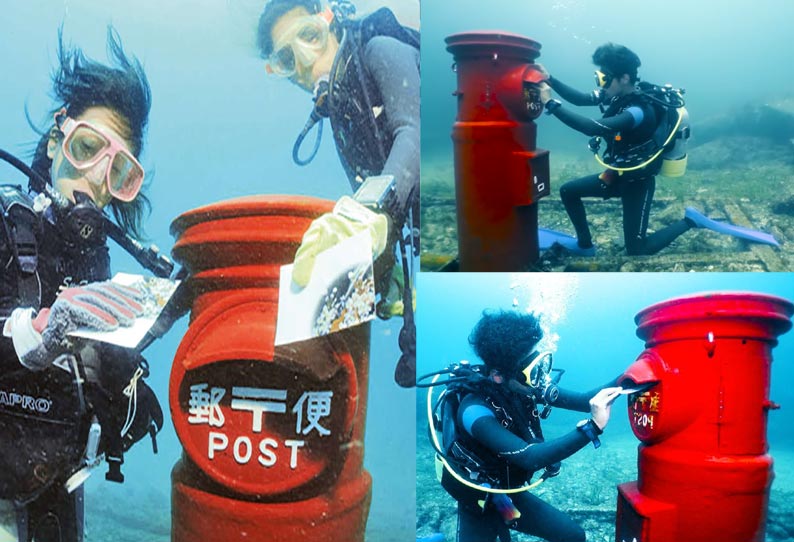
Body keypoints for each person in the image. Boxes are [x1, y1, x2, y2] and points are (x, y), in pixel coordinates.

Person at [0, 28, 163, 542]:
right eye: (87, 147)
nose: (95, 179)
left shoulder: (100, 268)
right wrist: (36, 330)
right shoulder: (5, 223)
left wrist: (127, 370)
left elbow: (106, 412)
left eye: (118, 172)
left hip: (54, 490)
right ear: (56, 140)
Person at [256, 0, 420, 385]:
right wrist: (382, 267)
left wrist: (364, 216)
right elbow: (383, 203)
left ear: (332, 23)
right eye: (285, 58)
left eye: (309, 36)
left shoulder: (380, 50)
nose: (303, 61)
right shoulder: (344, 114)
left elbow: (413, 132)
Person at [423, 310, 622, 542]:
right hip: (478, 499)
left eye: (543, 363)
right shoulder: (474, 410)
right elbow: (529, 457)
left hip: (509, 494)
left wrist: (632, 376)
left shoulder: (522, 387)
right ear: (498, 375)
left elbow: (584, 400)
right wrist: (592, 428)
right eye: (534, 369)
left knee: (574, 536)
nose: (542, 377)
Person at [539, 43, 693, 256]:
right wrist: (550, 79)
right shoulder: (615, 95)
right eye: (599, 77)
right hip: (615, 175)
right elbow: (581, 99)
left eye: (604, 78)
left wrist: (550, 104)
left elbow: (592, 127)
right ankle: (585, 245)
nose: (601, 84)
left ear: (625, 78)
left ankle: (690, 221)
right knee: (568, 191)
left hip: (637, 183)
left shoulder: (638, 110)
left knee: (637, 250)